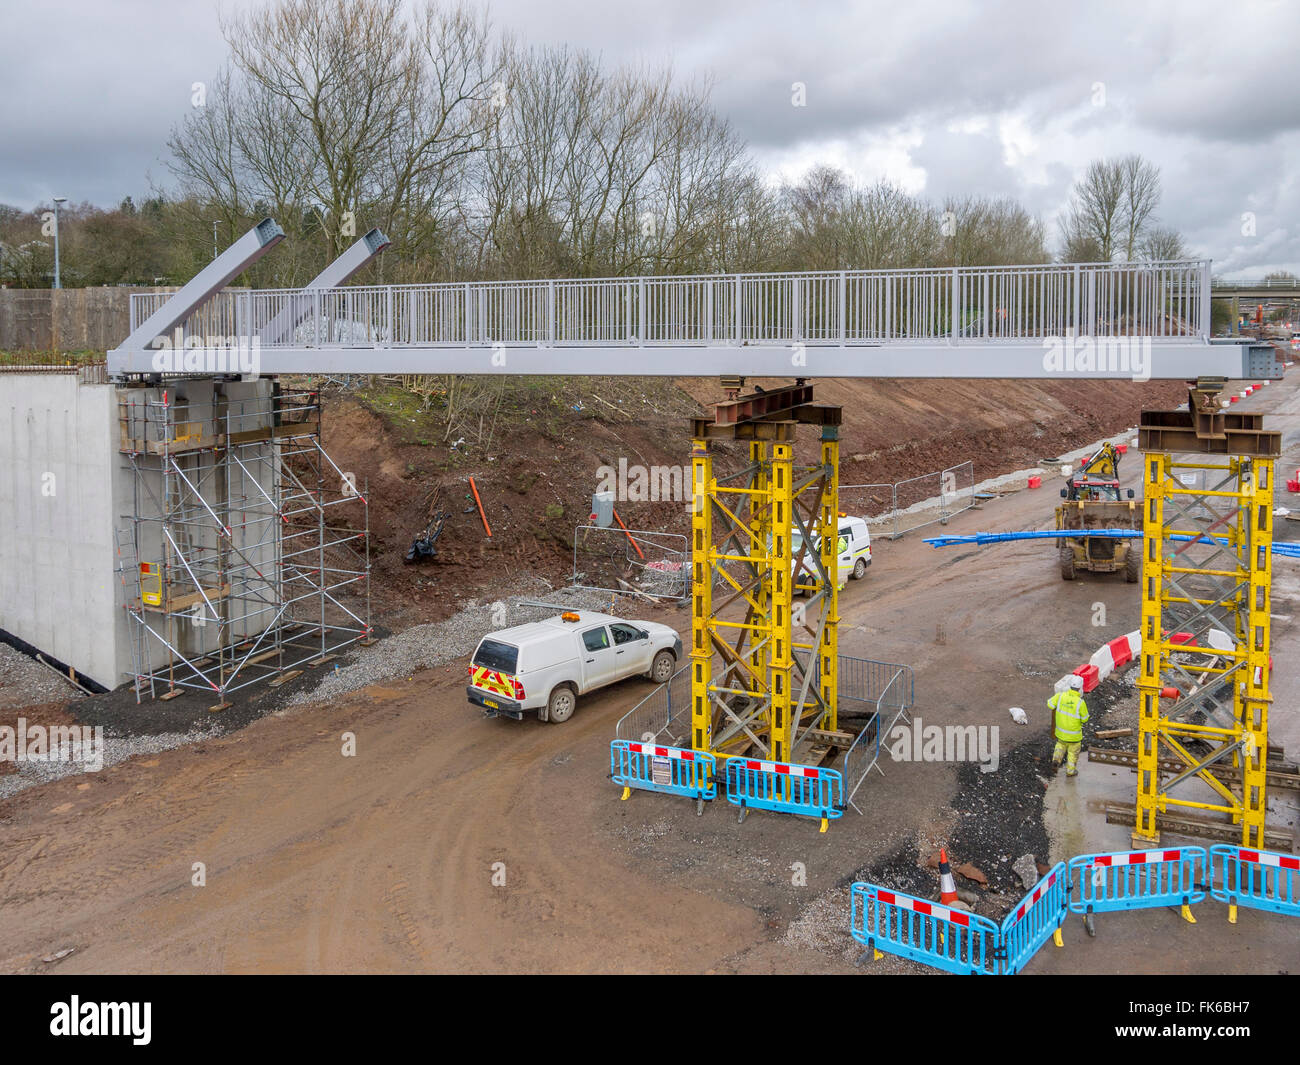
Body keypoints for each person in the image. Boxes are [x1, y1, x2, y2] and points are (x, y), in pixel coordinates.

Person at [1048, 675, 1089, 777]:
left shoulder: (1060, 696)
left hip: (1061, 733)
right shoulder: (1080, 703)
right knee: (1072, 753)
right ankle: (1070, 771)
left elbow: (1050, 704)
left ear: (1070, 686)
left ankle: (1056, 761)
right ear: (1080, 688)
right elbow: (1085, 719)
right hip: (1074, 737)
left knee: (1060, 746)